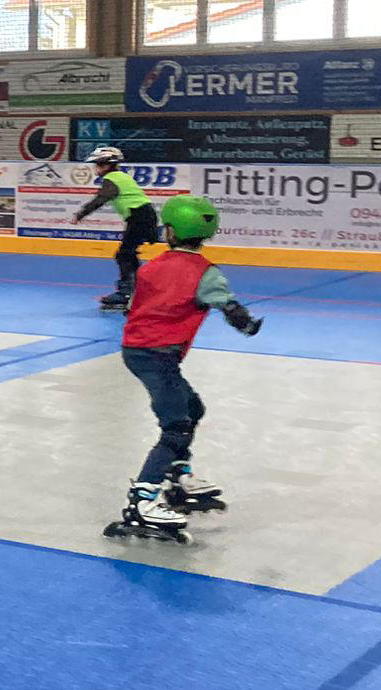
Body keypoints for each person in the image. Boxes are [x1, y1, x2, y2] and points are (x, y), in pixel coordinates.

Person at [106, 195, 264, 544]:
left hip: (137, 351)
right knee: (176, 425)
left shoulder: (151, 266)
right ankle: (142, 501)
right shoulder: (205, 272)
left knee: (193, 408)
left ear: (171, 232)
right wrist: (248, 325)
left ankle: (178, 475)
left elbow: (131, 305)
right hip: (158, 357)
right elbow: (230, 307)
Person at [72, 145, 160, 310]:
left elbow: (101, 199)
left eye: (98, 164)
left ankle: (125, 293)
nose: (96, 168)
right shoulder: (122, 177)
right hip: (144, 215)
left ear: (106, 165)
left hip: (139, 216)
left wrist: (80, 214)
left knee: (124, 255)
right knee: (128, 254)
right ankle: (137, 288)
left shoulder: (112, 179)